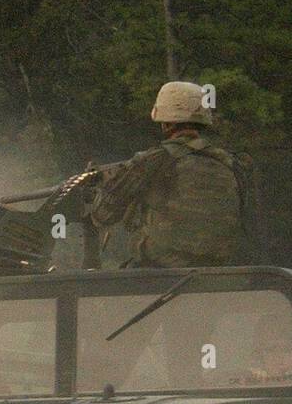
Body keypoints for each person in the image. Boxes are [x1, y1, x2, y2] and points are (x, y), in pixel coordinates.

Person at [87, 81, 247, 269]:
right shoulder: (230, 163)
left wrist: (100, 189)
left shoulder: (156, 159)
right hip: (219, 272)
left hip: (159, 273)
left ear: (165, 122)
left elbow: (104, 215)